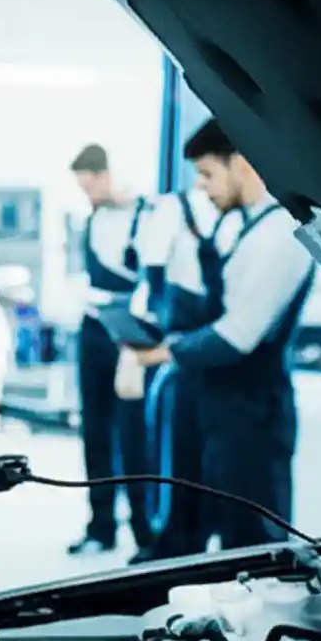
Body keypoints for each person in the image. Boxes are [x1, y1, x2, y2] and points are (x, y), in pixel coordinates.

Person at [132, 118, 315, 550]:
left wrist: (167, 351)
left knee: (252, 548)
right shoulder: (243, 226)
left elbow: (236, 336)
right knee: (211, 535)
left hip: (252, 417)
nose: (203, 188)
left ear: (244, 163)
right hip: (221, 411)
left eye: (208, 174)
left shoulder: (278, 236)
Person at [130, 183, 239, 563]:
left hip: (195, 355)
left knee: (185, 458)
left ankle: (180, 545)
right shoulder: (186, 211)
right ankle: (175, 544)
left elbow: (150, 281)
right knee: (179, 457)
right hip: (184, 354)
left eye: (210, 174)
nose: (208, 186)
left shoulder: (181, 212)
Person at [66, 143, 158, 558]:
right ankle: (100, 526)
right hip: (93, 330)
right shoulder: (92, 218)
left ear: (106, 175)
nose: (88, 196)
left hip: (133, 333)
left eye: (90, 187)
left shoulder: (150, 216)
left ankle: (145, 532)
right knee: (95, 432)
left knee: (134, 433)